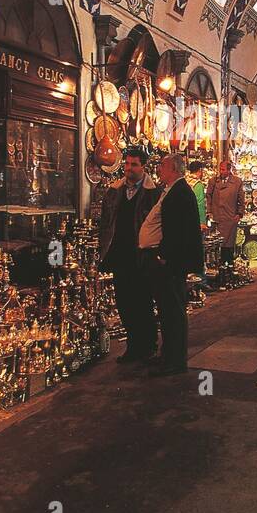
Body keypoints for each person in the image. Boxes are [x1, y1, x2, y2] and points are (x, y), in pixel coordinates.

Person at [139, 153, 204, 376]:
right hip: (167, 261)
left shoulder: (180, 192)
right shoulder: (173, 190)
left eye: (163, 166)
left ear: (174, 169)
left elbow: (178, 230)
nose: (159, 169)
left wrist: (164, 256)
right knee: (168, 311)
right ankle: (168, 354)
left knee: (173, 311)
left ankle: (175, 361)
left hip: (171, 263)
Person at [99, 148, 160, 364]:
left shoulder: (153, 193)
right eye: (126, 164)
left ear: (143, 166)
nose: (128, 168)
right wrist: (104, 248)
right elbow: (106, 222)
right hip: (120, 254)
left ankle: (148, 345)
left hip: (141, 255)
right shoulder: (115, 191)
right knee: (124, 302)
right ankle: (133, 346)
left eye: (134, 164)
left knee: (142, 301)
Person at [206, 160, 246, 273]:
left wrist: (239, 214)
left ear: (229, 170)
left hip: (230, 217)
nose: (221, 172)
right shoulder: (213, 181)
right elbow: (208, 197)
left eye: (223, 169)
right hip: (217, 217)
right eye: (220, 169)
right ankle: (218, 269)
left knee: (228, 244)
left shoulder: (237, 182)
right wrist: (209, 212)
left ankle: (229, 269)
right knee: (217, 244)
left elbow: (241, 199)